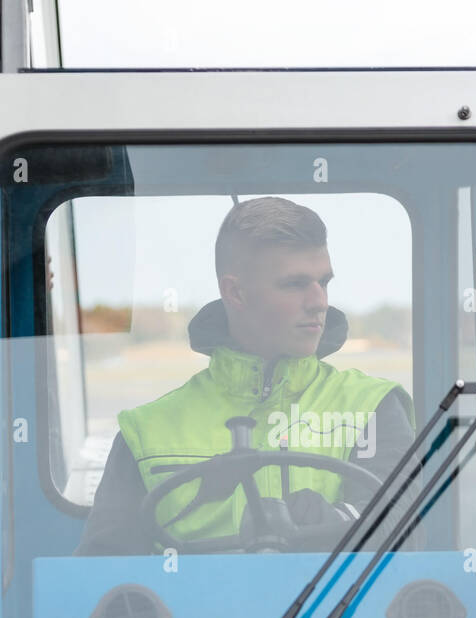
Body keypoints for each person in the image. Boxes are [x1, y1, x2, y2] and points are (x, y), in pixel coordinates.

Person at [75, 196, 416, 556]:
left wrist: (333, 521)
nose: (319, 302)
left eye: (323, 282)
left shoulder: (373, 407)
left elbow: (405, 541)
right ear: (235, 292)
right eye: (295, 284)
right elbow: (106, 582)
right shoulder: (144, 432)